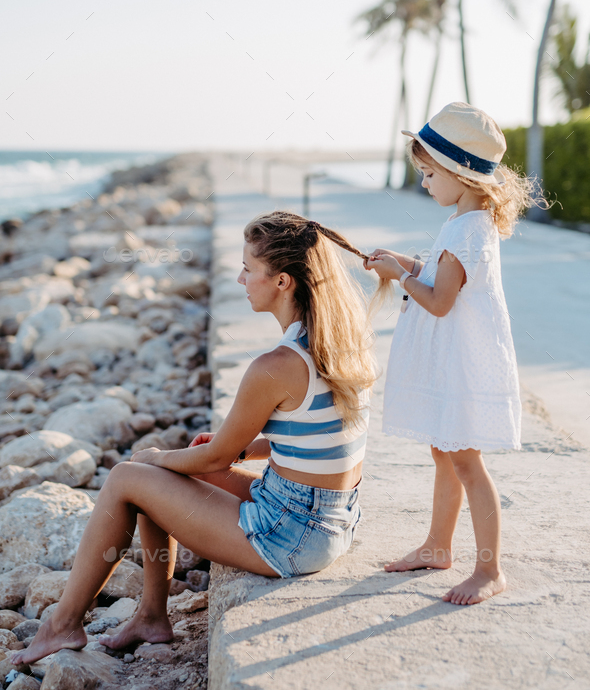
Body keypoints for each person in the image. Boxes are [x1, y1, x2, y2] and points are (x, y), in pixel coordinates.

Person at [12, 211, 376, 665]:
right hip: (331, 517)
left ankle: (62, 624)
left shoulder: (275, 366)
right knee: (153, 474)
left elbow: (213, 460)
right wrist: (243, 448)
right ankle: (150, 615)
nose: (240, 278)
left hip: (293, 532)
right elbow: (324, 438)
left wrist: (163, 456)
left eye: (249, 268)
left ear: (282, 281)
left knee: (130, 475)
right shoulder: (338, 341)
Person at [364, 101, 542, 606]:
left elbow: (440, 301)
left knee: (465, 461)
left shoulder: (468, 229)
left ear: (458, 174)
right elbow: (445, 277)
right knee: (445, 451)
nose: (423, 183)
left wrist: (400, 276)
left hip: (461, 364)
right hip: (455, 359)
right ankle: (438, 546)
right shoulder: (467, 222)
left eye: (427, 173)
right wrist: (404, 261)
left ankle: (489, 570)